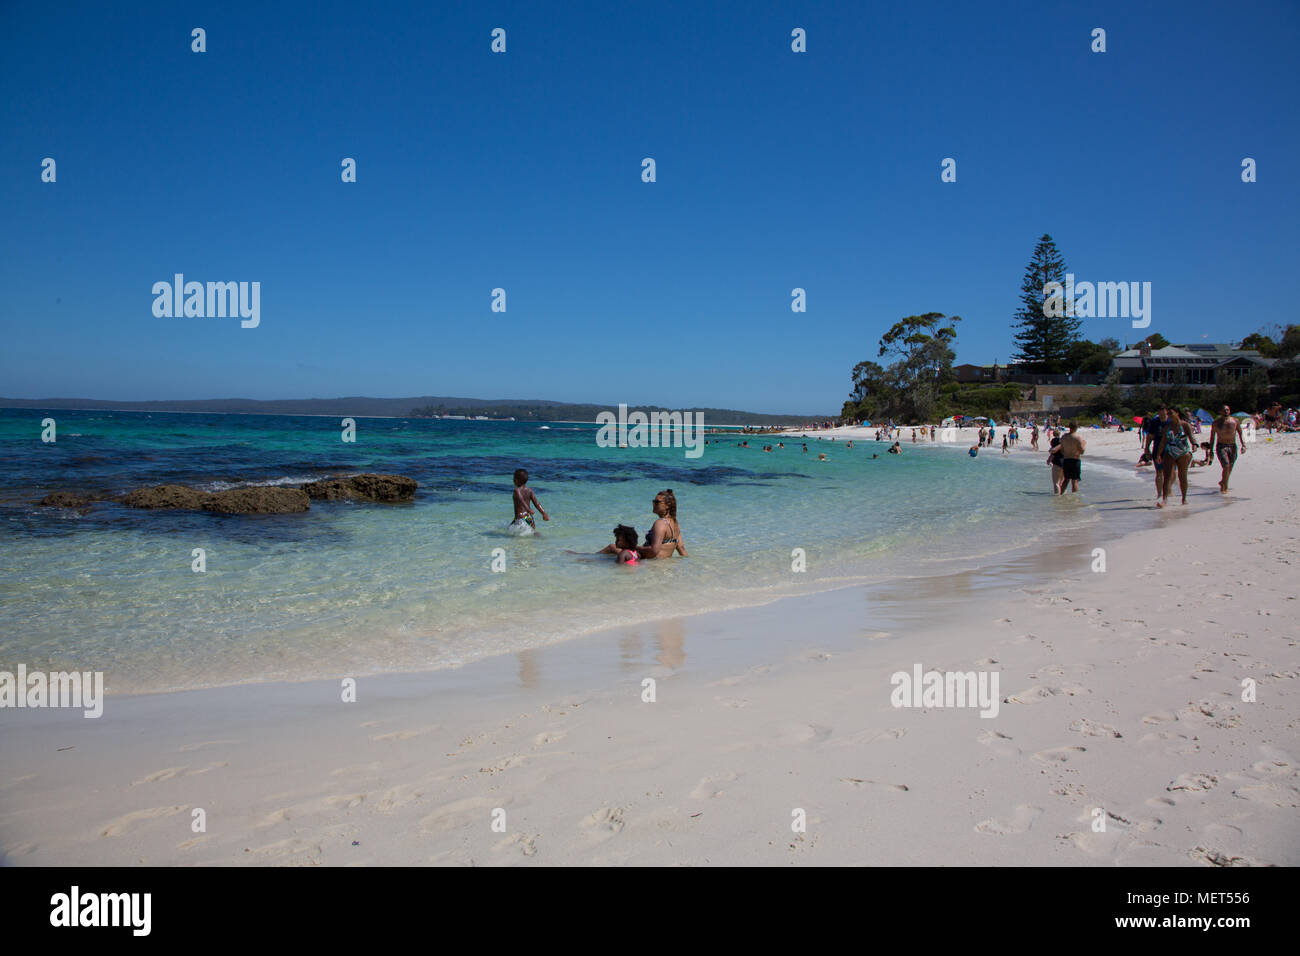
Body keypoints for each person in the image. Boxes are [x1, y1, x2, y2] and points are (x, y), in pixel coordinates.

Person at [1155, 408, 1195, 507]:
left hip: (1183, 452)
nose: (1169, 415)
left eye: (1171, 413)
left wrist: (1195, 444)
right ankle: (1164, 500)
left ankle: (1184, 498)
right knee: (1167, 476)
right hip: (1170, 451)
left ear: (1177, 413)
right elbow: (1163, 442)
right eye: (1168, 413)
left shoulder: (1185, 425)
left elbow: (1191, 436)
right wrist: (1158, 454)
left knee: (1182, 476)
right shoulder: (1167, 427)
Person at [639, 489, 687, 559]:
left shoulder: (660, 523)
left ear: (667, 505)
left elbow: (654, 551)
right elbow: (681, 549)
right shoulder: (675, 523)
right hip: (664, 566)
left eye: (657, 502)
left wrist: (635, 547)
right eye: (653, 501)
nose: (653, 504)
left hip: (653, 565)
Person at [1209, 405, 1246, 494]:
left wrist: (1243, 445)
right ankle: (1225, 487)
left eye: (1227, 410)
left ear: (1229, 411)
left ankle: (1223, 482)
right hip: (1221, 446)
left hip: (1233, 446)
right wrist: (1210, 451)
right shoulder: (1216, 423)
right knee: (1226, 466)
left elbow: (1240, 433)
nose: (1226, 411)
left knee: (1230, 467)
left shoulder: (1235, 421)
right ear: (1220, 412)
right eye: (1224, 410)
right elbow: (1212, 437)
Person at [509, 468, 548, 533]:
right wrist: (543, 513)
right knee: (533, 532)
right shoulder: (530, 490)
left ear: (516, 480)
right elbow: (537, 503)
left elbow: (520, 499)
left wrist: (528, 509)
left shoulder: (517, 490)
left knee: (511, 532)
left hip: (520, 516)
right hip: (528, 516)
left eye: (513, 478)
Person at [1057, 421, 1086, 493]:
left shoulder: (1064, 437)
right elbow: (1082, 451)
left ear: (1069, 427)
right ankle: (1074, 500)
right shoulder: (1077, 438)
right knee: (1075, 481)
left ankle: (1060, 496)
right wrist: (1084, 444)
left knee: (1066, 480)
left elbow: (1062, 450)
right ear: (1076, 427)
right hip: (1075, 460)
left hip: (1066, 460)